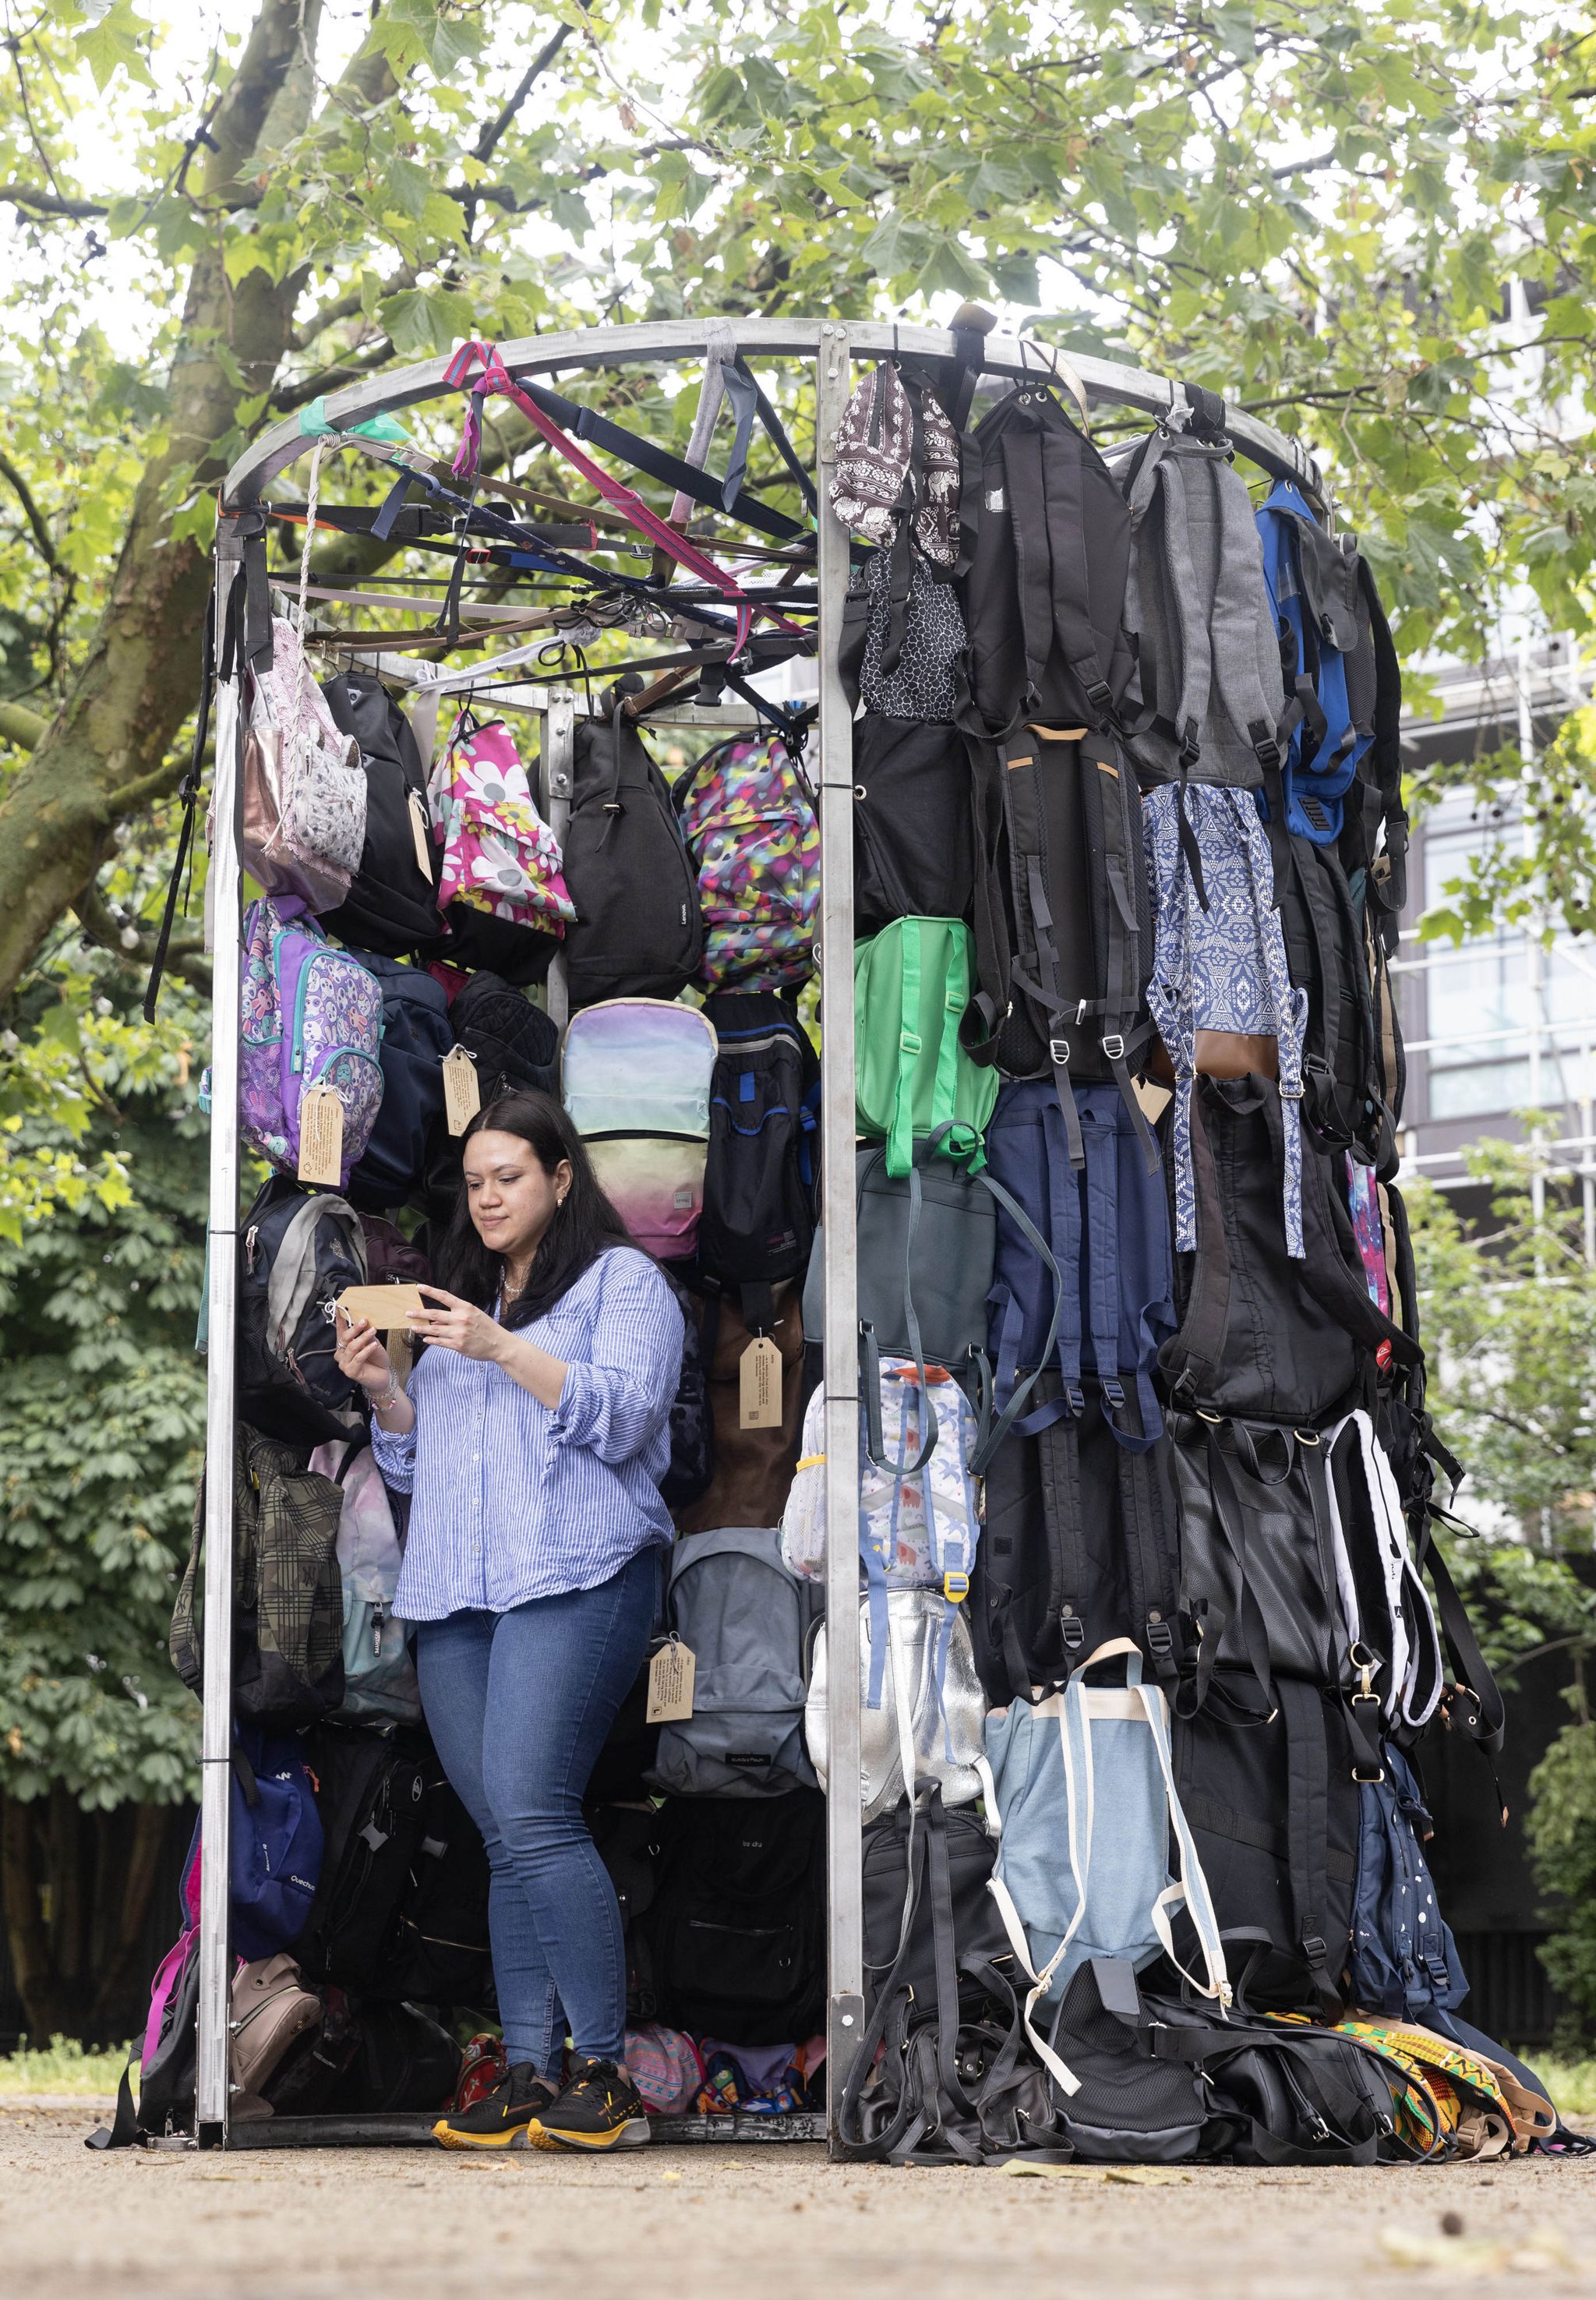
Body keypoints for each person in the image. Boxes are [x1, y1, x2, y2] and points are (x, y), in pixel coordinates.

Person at [334, 1090, 683, 2154]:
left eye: (509, 1177)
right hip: (459, 1593)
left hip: (579, 1575)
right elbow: (425, 1465)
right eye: (475, 1181)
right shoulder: (466, 1303)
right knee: (503, 1833)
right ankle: (528, 2068)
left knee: (534, 1813)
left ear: (561, 1177)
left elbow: (623, 1418)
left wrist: (496, 1347)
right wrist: (389, 1393)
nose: (487, 1197)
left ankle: (605, 2071)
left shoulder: (625, 1283)